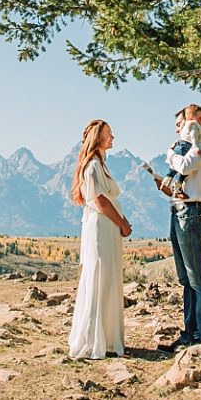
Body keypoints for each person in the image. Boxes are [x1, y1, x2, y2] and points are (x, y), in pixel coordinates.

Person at [155, 103, 201, 352]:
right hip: (180, 209)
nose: (178, 130)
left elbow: (185, 166)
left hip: (191, 212)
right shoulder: (194, 145)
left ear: (194, 122)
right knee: (186, 278)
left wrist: (169, 154)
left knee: (196, 275)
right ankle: (189, 334)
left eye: (180, 124)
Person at [67, 118, 132, 360]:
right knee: (99, 278)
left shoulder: (100, 165)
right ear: (98, 137)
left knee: (108, 278)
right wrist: (122, 223)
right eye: (109, 133)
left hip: (107, 228)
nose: (113, 137)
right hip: (101, 228)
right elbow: (101, 201)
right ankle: (93, 339)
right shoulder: (92, 166)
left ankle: (107, 338)